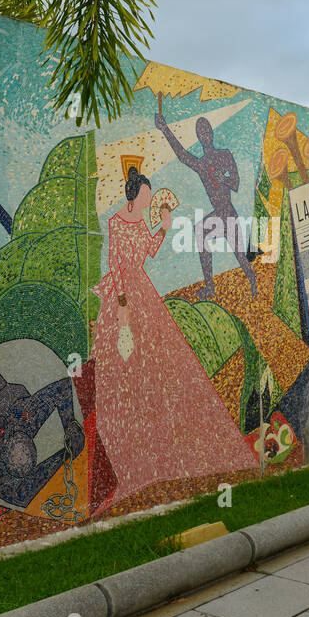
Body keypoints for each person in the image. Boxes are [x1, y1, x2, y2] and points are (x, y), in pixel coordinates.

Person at [91, 167, 255, 516]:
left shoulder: (138, 223)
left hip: (144, 291)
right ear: (136, 194)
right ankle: (135, 459)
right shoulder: (117, 223)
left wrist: (163, 229)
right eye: (148, 196)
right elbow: (117, 267)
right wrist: (121, 310)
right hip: (125, 297)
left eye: (154, 197)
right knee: (128, 372)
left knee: (163, 367)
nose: (152, 201)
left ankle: (169, 448)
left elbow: (147, 252)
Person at [155, 113, 256, 298]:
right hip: (219, 214)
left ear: (211, 133)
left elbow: (236, 183)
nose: (205, 135)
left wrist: (224, 179)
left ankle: (252, 278)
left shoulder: (225, 155)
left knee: (240, 256)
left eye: (206, 131)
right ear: (199, 137)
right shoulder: (201, 164)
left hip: (229, 213)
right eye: (201, 133)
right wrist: (164, 129)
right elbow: (182, 156)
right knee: (200, 231)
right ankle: (210, 287)